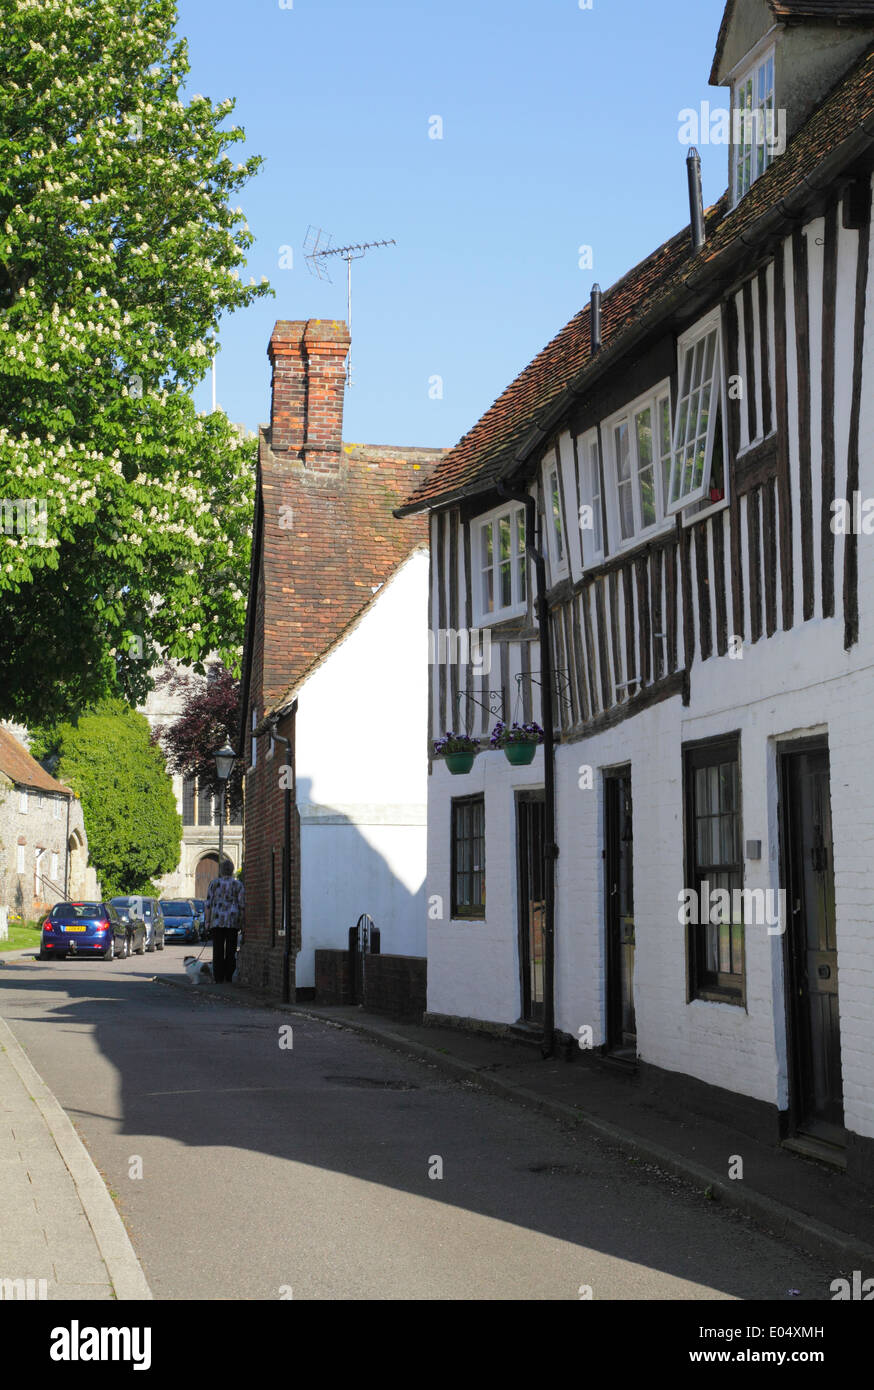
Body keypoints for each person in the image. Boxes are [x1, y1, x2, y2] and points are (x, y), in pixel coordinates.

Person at [205, 861, 244, 984]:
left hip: (217, 921)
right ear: (232, 870)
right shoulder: (238, 885)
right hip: (232, 921)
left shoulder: (214, 883)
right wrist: (243, 922)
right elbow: (242, 905)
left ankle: (218, 977)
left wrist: (207, 921)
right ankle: (229, 976)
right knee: (231, 950)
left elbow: (208, 904)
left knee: (217, 950)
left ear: (221, 870)